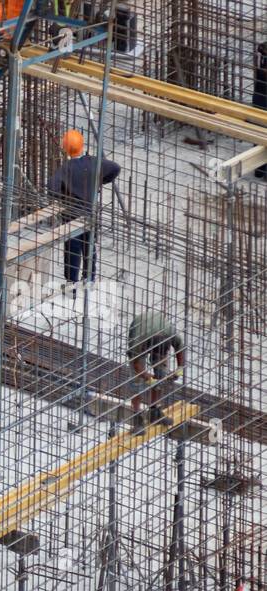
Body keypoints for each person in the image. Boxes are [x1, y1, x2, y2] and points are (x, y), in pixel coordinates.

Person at [48, 130, 121, 286]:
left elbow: (52, 189)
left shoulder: (65, 169)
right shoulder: (94, 162)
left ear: (65, 148)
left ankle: (71, 283)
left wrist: (64, 193)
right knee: (89, 246)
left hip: (71, 215)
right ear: (82, 145)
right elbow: (115, 168)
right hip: (89, 212)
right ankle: (89, 279)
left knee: (72, 249)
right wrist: (99, 181)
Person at [126, 313, 186, 433]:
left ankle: (154, 412)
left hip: (156, 331)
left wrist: (180, 368)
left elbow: (180, 348)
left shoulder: (171, 334)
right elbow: (136, 364)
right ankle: (137, 419)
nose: (160, 357)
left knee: (161, 376)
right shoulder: (138, 340)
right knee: (136, 382)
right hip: (141, 331)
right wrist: (146, 376)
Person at [254, 42, 266, 180]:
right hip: (262, 100)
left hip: (260, 99)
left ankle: (260, 169)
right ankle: (260, 169)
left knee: (258, 136)